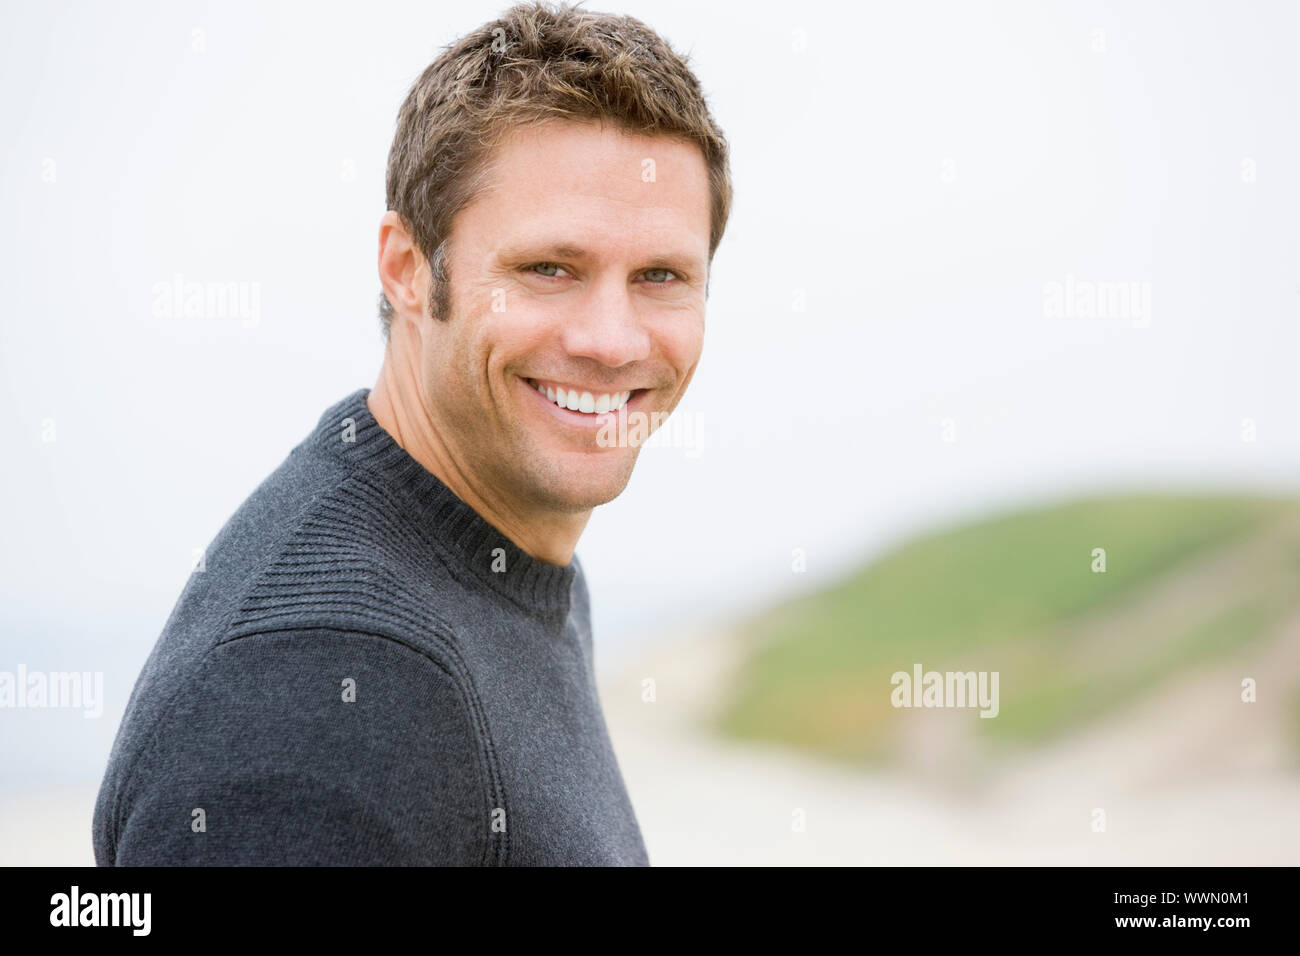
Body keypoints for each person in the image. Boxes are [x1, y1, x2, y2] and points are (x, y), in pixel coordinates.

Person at [92, 0, 732, 865]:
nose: (612, 339)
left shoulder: (511, 562)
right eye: (548, 269)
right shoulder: (321, 696)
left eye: (661, 276)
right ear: (406, 270)